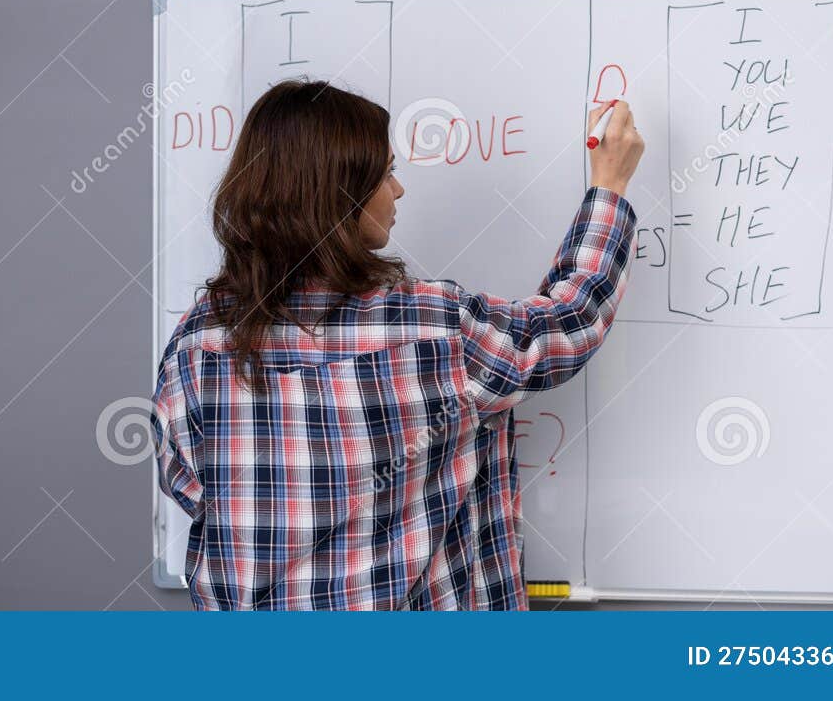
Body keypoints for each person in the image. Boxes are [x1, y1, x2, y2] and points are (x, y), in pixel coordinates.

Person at [150, 79, 644, 610]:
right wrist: (609, 186)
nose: (399, 190)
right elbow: (570, 321)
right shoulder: (431, 330)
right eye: (386, 173)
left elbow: (190, 486)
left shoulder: (197, 346)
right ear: (338, 193)